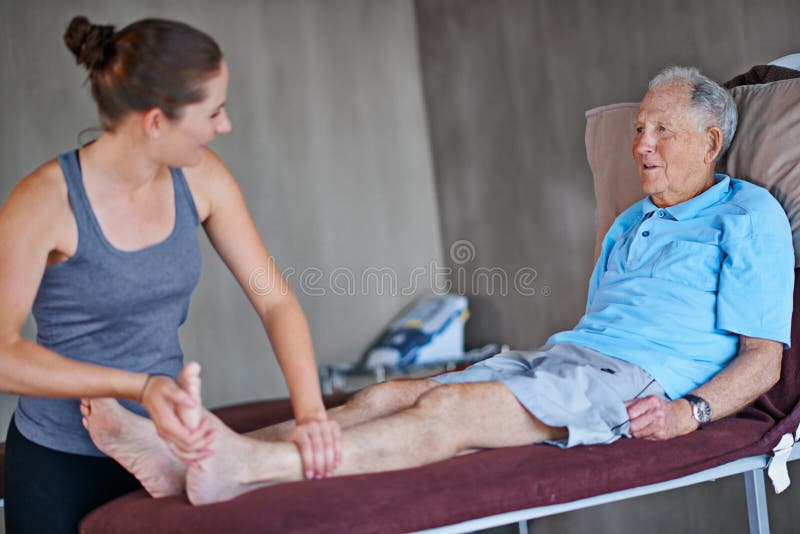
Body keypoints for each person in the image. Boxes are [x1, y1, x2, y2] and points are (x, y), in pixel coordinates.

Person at [84, 65, 794, 506]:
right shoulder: (630, 220)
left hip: (636, 380)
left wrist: (688, 415)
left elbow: (764, 359)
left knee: (451, 414)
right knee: (397, 392)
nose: (641, 145)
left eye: (662, 130)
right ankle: (189, 456)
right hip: (572, 356)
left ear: (710, 142)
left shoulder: (748, 215)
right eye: (638, 128)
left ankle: (248, 467)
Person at [0, 16, 340, 532]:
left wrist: (312, 413)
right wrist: (139, 388)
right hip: (59, 464)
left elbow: (274, 301)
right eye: (214, 111)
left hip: (166, 448)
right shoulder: (47, 200)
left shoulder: (203, 179)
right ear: (156, 122)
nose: (224, 125)